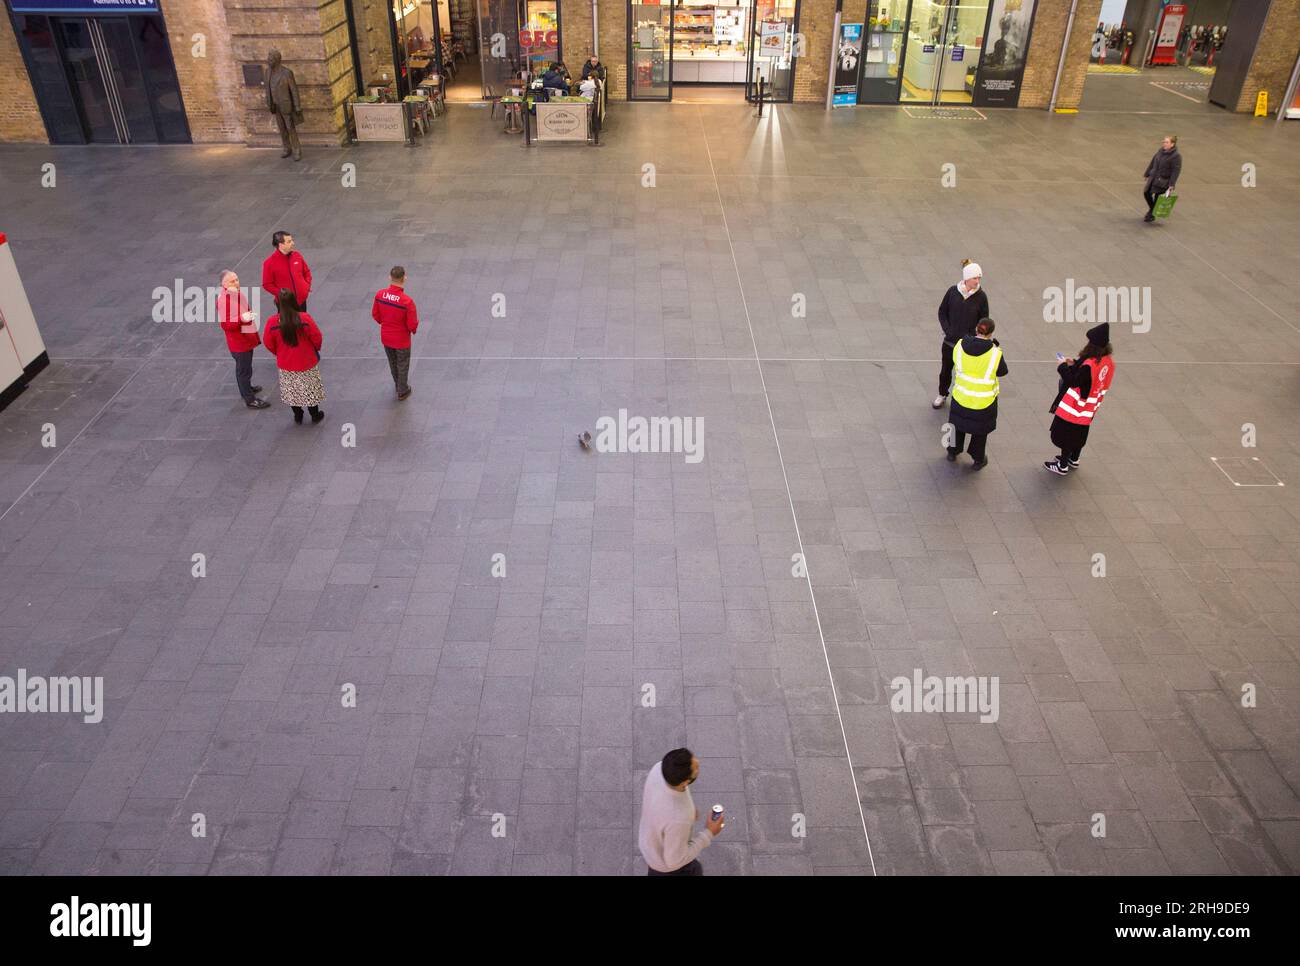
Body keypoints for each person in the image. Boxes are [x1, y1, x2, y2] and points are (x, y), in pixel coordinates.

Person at [637, 748, 724, 876]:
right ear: (685, 781)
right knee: (695, 870)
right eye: (696, 768)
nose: (698, 762)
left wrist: (689, 809)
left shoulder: (659, 769)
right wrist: (709, 833)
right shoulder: (678, 819)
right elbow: (674, 861)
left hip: (651, 846)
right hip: (667, 869)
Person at [1045, 323, 1115, 475]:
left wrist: (1063, 366)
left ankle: (1062, 465)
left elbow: (1073, 381)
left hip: (1075, 407)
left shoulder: (1089, 365)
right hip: (1090, 407)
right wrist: (1075, 363)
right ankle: (1074, 459)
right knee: (1081, 432)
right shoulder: (1106, 361)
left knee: (1066, 435)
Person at [946, 317, 1007, 471]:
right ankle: (978, 459)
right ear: (991, 333)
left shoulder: (960, 345)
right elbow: (1002, 371)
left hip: (961, 396)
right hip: (983, 401)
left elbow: (955, 360)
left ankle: (952, 452)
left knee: (955, 426)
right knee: (980, 433)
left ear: (976, 329)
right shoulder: (995, 353)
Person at [262, 289, 325, 424]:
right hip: (306, 360)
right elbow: (316, 336)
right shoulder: (304, 318)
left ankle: (298, 415)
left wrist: (279, 353)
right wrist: (315, 348)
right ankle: (314, 414)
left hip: (286, 363)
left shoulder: (272, 322)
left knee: (292, 390)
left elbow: (268, 343)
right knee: (310, 389)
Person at [934, 259, 990, 409]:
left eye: (979, 278)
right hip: (950, 342)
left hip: (968, 345)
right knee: (945, 370)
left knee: (964, 373)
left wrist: (974, 337)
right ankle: (942, 394)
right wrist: (948, 330)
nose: (977, 281)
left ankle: (960, 399)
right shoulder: (953, 292)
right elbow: (942, 312)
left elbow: (984, 320)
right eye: (975, 278)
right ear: (966, 278)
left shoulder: (981, 297)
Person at [215, 270, 269, 409]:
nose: (236, 283)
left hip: (245, 338)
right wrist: (242, 318)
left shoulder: (235, 294)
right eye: (232, 281)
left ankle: (246, 389)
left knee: (246, 367)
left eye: (237, 279)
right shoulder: (224, 300)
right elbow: (225, 324)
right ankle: (249, 399)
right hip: (239, 343)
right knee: (243, 370)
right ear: (224, 284)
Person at [372, 265, 420, 400]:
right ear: (404, 278)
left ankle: (397, 383)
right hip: (401, 339)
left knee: (392, 362)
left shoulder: (380, 295)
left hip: (386, 337)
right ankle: (402, 390)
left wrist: (386, 324)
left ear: (389, 277)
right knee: (403, 363)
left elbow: (375, 315)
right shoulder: (407, 301)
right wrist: (412, 330)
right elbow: (412, 324)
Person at [266, 48, 303, 161]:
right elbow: (267, 88)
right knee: (282, 129)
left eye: (271, 59)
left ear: (277, 60)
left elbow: (294, 90)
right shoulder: (267, 72)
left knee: (290, 128)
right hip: (275, 106)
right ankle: (287, 148)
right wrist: (269, 102)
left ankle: (297, 150)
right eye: (268, 58)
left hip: (286, 106)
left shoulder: (286, 73)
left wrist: (297, 106)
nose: (268, 61)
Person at [261, 231, 311, 310]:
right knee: (288, 323)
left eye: (292, 240)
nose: (293, 243)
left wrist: (306, 287)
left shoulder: (297, 255)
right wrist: (281, 294)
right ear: (281, 245)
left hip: (301, 301)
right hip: (285, 304)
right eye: (289, 241)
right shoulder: (269, 263)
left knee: (303, 321)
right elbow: (267, 284)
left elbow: (307, 272)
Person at [1143, 135, 1181, 222]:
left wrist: (1171, 184)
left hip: (1163, 180)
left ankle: (1151, 214)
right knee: (1146, 193)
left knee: (1157, 197)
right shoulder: (1160, 151)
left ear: (1172, 144)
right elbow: (1153, 162)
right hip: (1153, 177)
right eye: (1164, 142)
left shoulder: (1176, 156)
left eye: (1167, 142)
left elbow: (1176, 172)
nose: (1164, 143)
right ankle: (1152, 211)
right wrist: (1147, 173)